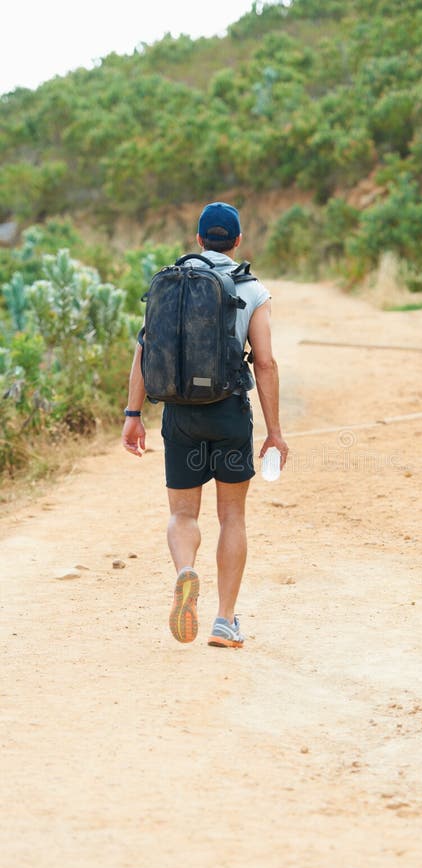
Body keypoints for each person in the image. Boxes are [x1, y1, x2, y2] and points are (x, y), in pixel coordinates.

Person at [122, 202, 288, 648]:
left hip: (179, 414)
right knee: (232, 515)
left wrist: (133, 415)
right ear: (236, 242)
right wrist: (273, 432)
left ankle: (185, 572)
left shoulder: (168, 284)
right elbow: (266, 363)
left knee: (182, 513)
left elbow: (144, 351)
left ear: (198, 239)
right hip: (228, 413)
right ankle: (224, 621)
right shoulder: (252, 289)